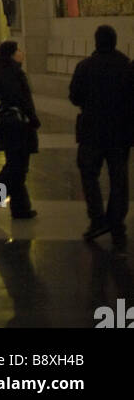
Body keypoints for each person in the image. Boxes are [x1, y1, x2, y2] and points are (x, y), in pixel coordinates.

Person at [69, 25, 134, 250]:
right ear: (115, 41)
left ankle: (97, 219)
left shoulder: (85, 66)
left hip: (91, 132)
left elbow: (75, 97)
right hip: (120, 133)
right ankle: (116, 223)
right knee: (119, 180)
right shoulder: (127, 66)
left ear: (96, 41)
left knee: (89, 175)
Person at [0, 41, 40, 220]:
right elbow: (20, 99)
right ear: (12, 54)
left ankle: (20, 208)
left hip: (11, 126)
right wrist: (33, 117)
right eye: (19, 50)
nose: (22, 52)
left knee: (17, 168)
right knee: (15, 168)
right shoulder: (12, 72)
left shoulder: (4, 71)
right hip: (16, 126)